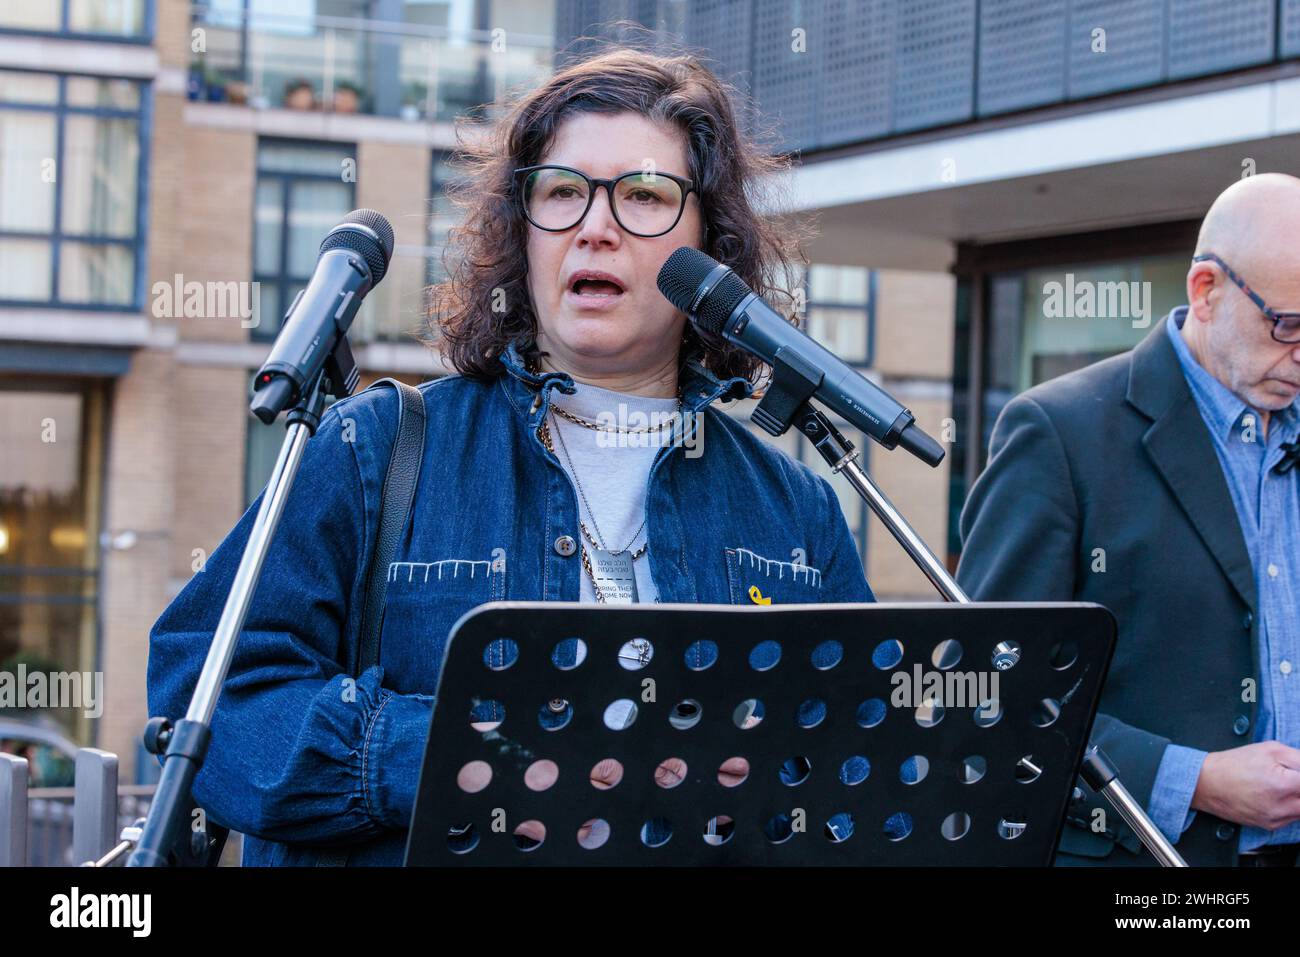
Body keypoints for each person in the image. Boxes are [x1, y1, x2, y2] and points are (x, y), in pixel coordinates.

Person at [148, 47, 876, 866]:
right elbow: (205, 693)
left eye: (643, 195)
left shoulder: (799, 511)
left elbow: (860, 770)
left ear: (709, 245)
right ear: (520, 233)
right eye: (562, 192)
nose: (595, 227)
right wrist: (476, 758)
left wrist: (773, 785)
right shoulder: (376, 448)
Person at [957, 173, 1300, 866]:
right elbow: (987, 692)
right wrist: (1193, 781)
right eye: (1288, 325)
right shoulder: (1060, 433)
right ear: (1206, 290)